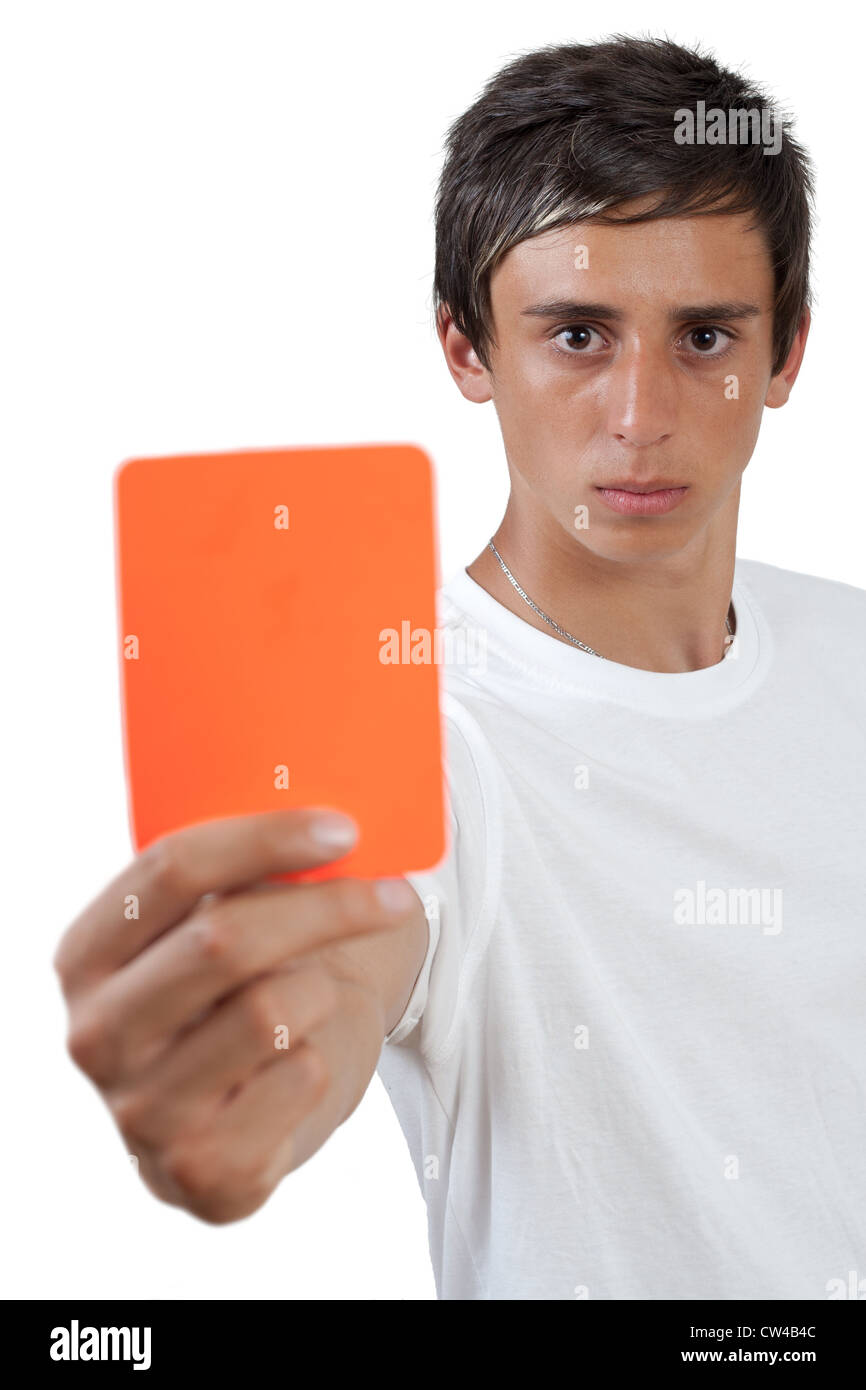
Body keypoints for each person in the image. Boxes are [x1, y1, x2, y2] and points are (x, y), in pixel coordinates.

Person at [55, 35, 866, 1300]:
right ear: (464, 347)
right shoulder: (418, 728)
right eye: (578, 334)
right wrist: (248, 1068)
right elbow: (350, 958)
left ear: (786, 353)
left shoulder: (850, 653)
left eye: (704, 334)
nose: (640, 411)